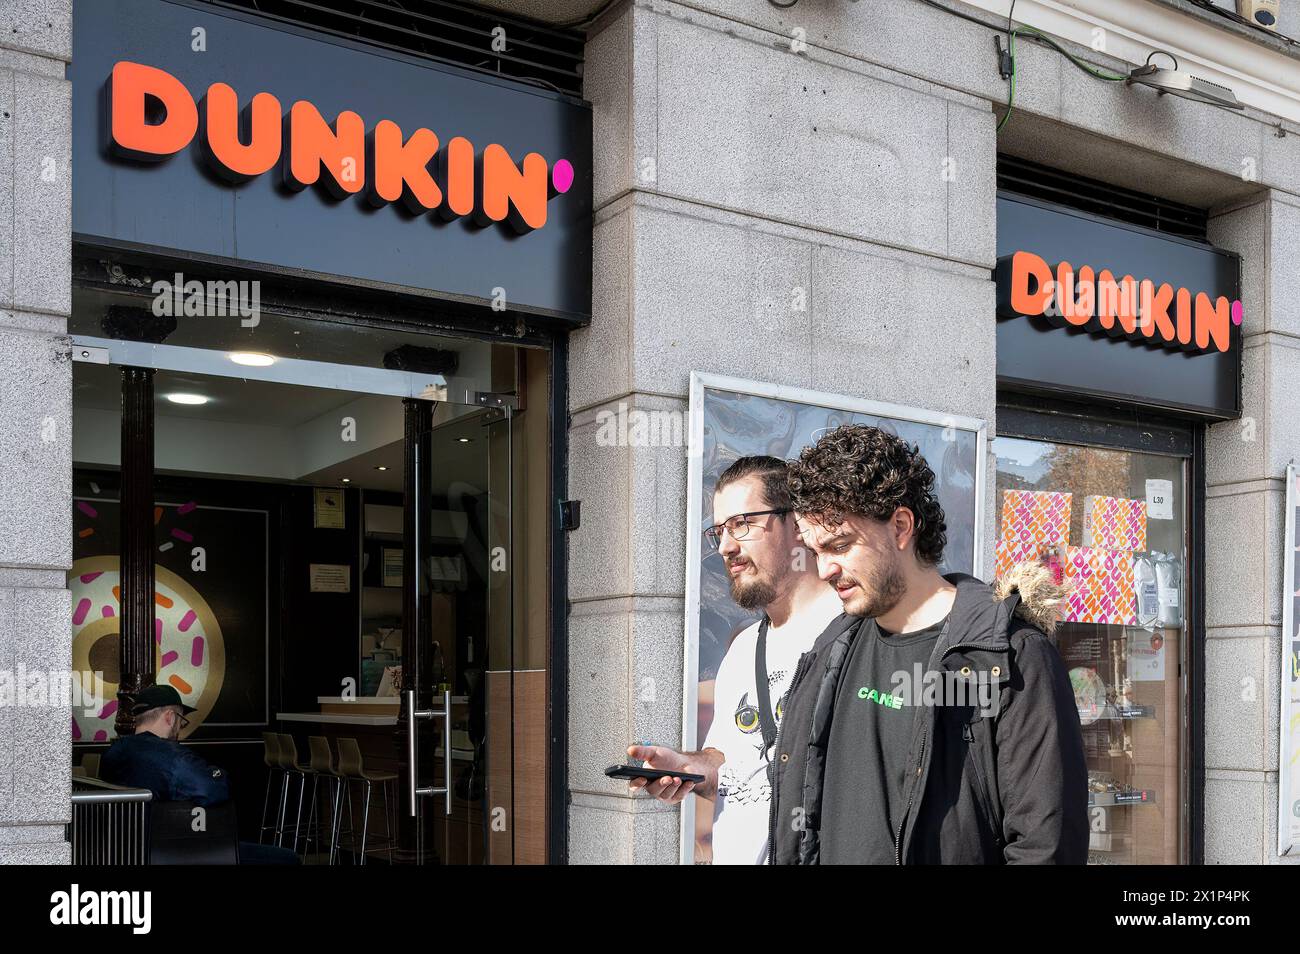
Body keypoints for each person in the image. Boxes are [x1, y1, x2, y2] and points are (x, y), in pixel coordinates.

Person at [768, 424, 1088, 864]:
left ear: (901, 526)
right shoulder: (831, 648)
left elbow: (1045, 845)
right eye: (816, 550)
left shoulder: (1009, 656)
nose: (825, 569)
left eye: (840, 545)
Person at [625, 456, 842, 864]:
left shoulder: (853, 635)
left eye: (742, 523)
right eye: (720, 531)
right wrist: (689, 765)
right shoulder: (745, 647)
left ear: (797, 523)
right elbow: (729, 761)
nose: (726, 546)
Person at [101, 684, 298, 864]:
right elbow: (213, 790)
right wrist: (216, 772)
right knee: (287, 859)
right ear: (170, 717)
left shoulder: (113, 754)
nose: (180, 729)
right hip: (177, 852)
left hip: (125, 852)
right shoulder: (172, 757)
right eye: (181, 722)